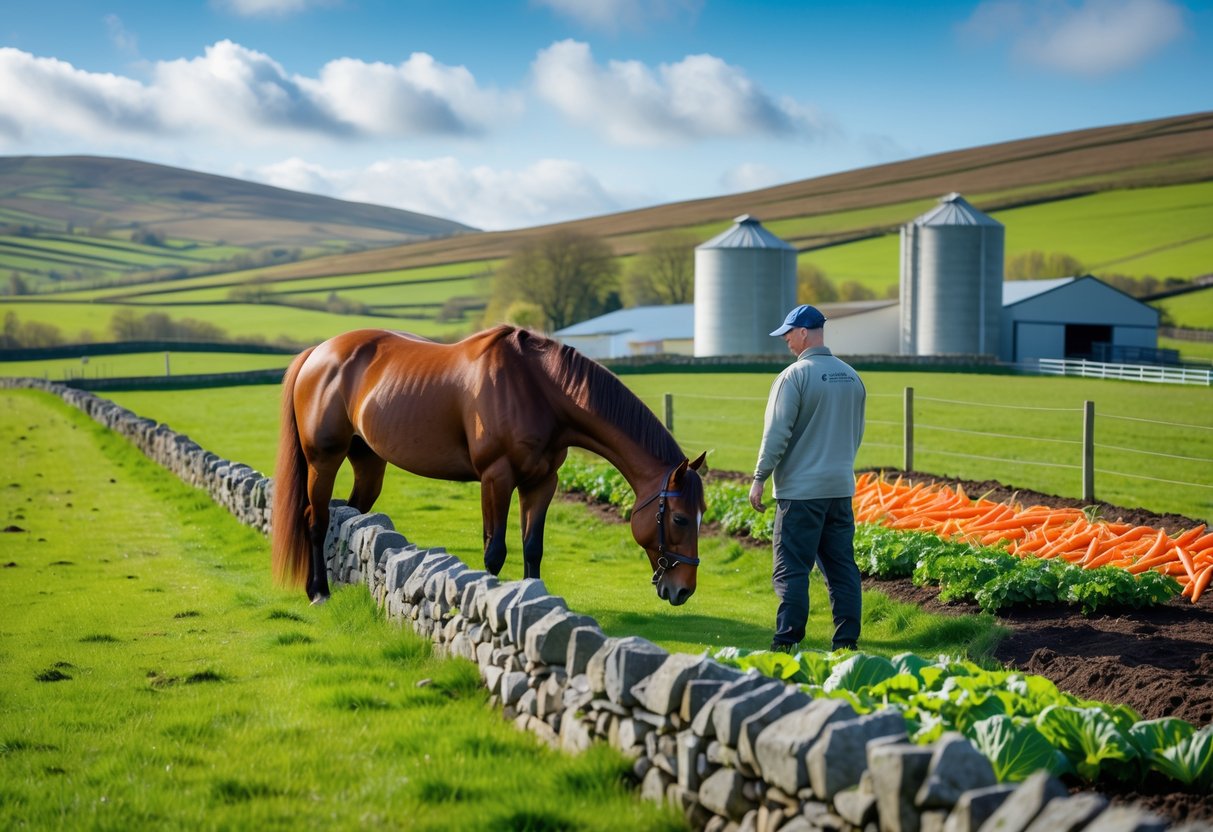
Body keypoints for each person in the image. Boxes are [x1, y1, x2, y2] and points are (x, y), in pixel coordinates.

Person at [748, 304, 866, 653]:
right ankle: (846, 643)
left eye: (788, 332)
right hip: (840, 489)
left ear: (804, 332)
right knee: (842, 568)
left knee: (791, 569)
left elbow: (776, 434)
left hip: (800, 494)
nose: (785, 339)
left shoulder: (793, 377)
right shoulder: (852, 376)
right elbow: (855, 434)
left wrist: (759, 477)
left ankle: (786, 642)